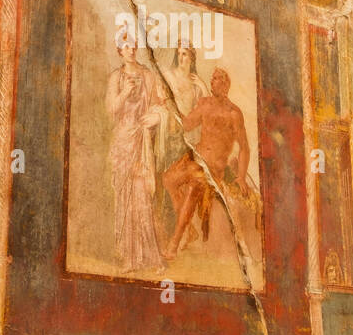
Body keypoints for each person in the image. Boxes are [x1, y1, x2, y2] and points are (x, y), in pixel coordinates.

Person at [162, 67, 251, 260]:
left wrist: (242, 177)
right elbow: (186, 125)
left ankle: (174, 242)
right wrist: (171, 104)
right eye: (212, 78)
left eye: (218, 79)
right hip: (196, 159)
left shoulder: (234, 113)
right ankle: (189, 228)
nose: (213, 81)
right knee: (168, 179)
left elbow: (244, 147)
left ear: (226, 85)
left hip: (213, 168)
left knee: (194, 187)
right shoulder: (204, 104)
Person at [106, 34, 165, 273]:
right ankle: (130, 259)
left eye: (133, 46)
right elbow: (111, 110)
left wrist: (157, 113)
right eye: (125, 46)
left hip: (141, 139)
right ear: (120, 50)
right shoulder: (116, 77)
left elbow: (157, 106)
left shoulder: (148, 76)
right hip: (123, 141)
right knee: (124, 198)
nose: (130, 50)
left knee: (142, 197)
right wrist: (123, 93)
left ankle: (151, 257)